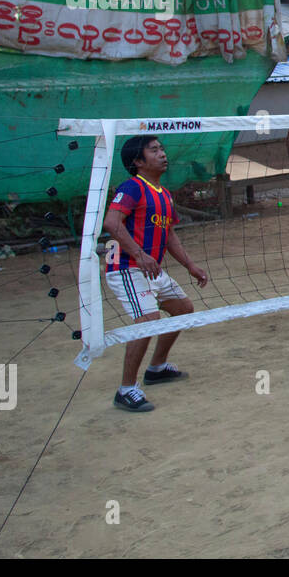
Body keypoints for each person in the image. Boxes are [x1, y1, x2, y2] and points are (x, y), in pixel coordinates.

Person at [104, 135, 210, 413]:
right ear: (138, 162)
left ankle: (157, 368)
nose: (162, 154)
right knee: (148, 320)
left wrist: (190, 265)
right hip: (126, 268)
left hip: (151, 270)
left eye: (162, 148)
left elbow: (169, 233)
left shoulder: (163, 194)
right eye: (154, 150)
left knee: (184, 309)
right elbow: (112, 223)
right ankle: (126, 390)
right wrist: (139, 254)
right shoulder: (132, 188)